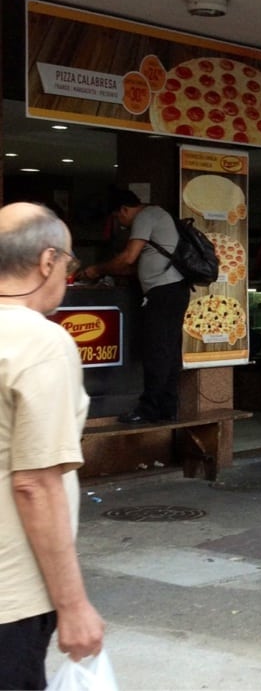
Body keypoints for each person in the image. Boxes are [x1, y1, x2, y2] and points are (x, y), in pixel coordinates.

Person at [0, 202, 105, 689]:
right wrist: (74, 605)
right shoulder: (41, 342)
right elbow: (35, 484)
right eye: (68, 262)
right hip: (10, 596)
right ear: (47, 262)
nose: (67, 273)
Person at [79, 188, 189, 424]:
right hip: (174, 291)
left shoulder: (145, 216)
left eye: (119, 218)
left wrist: (96, 270)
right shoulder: (157, 215)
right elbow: (137, 264)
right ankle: (167, 407)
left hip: (163, 293)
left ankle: (149, 408)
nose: (121, 224)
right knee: (168, 353)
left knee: (157, 351)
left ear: (124, 210)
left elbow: (128, 257)